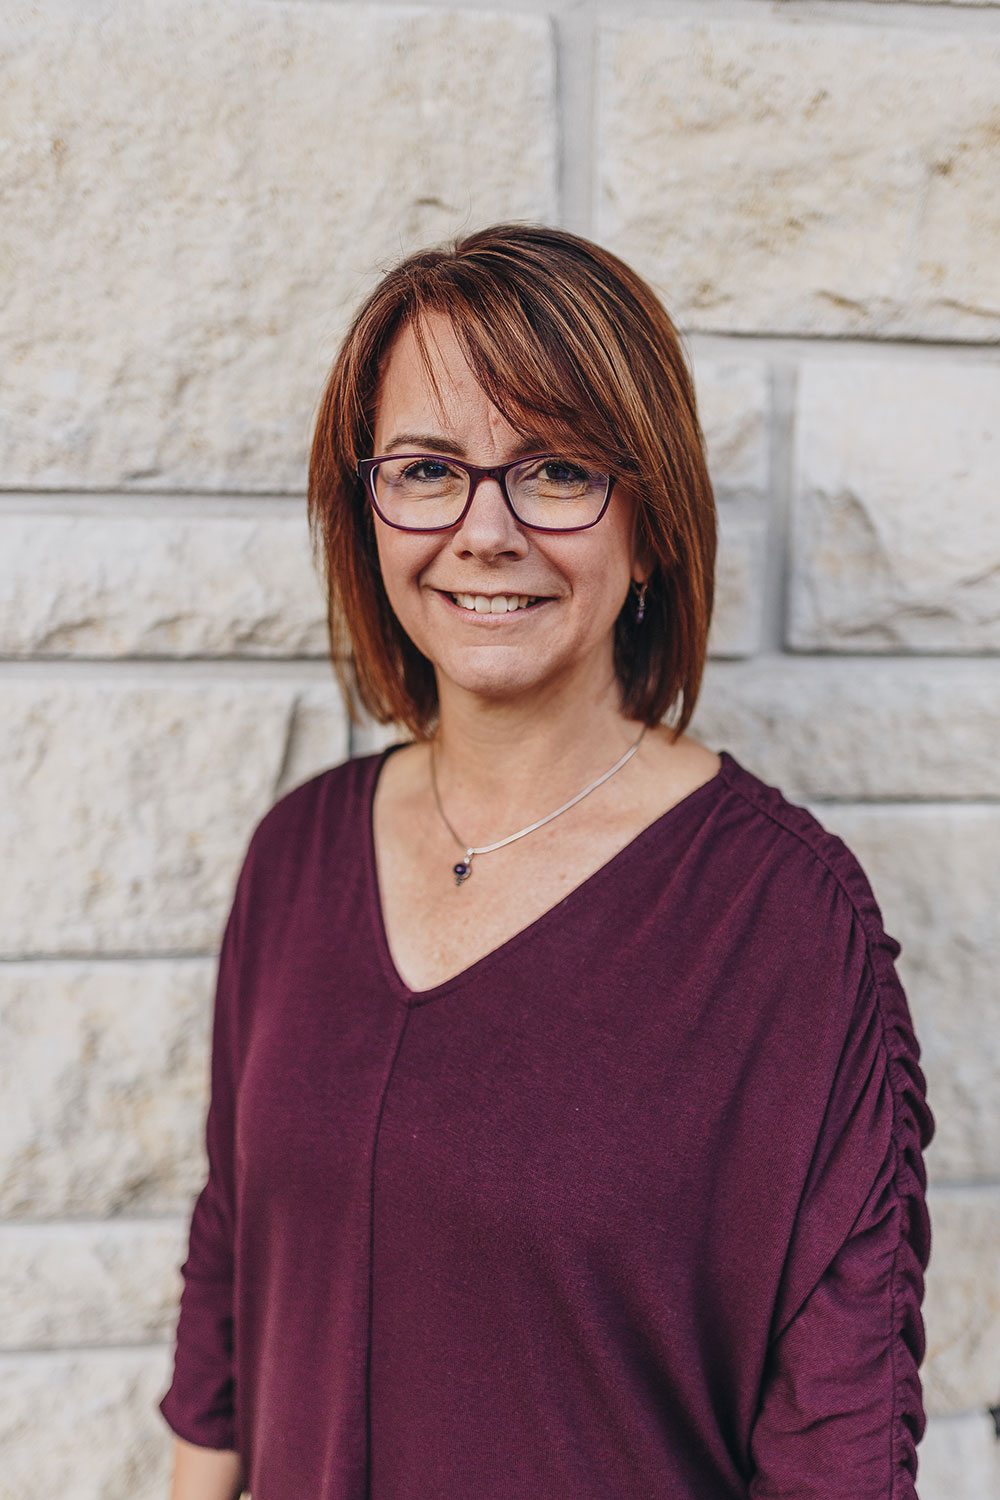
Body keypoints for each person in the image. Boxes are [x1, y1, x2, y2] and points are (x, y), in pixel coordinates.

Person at [159, 224, 933, 1500]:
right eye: (426, 469)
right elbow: (231, 1283)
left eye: (558, 470)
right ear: (368, 509)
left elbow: (838, 1454)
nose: (484, 531)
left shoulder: (786, 928)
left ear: (654, 522)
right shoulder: (297, 857)